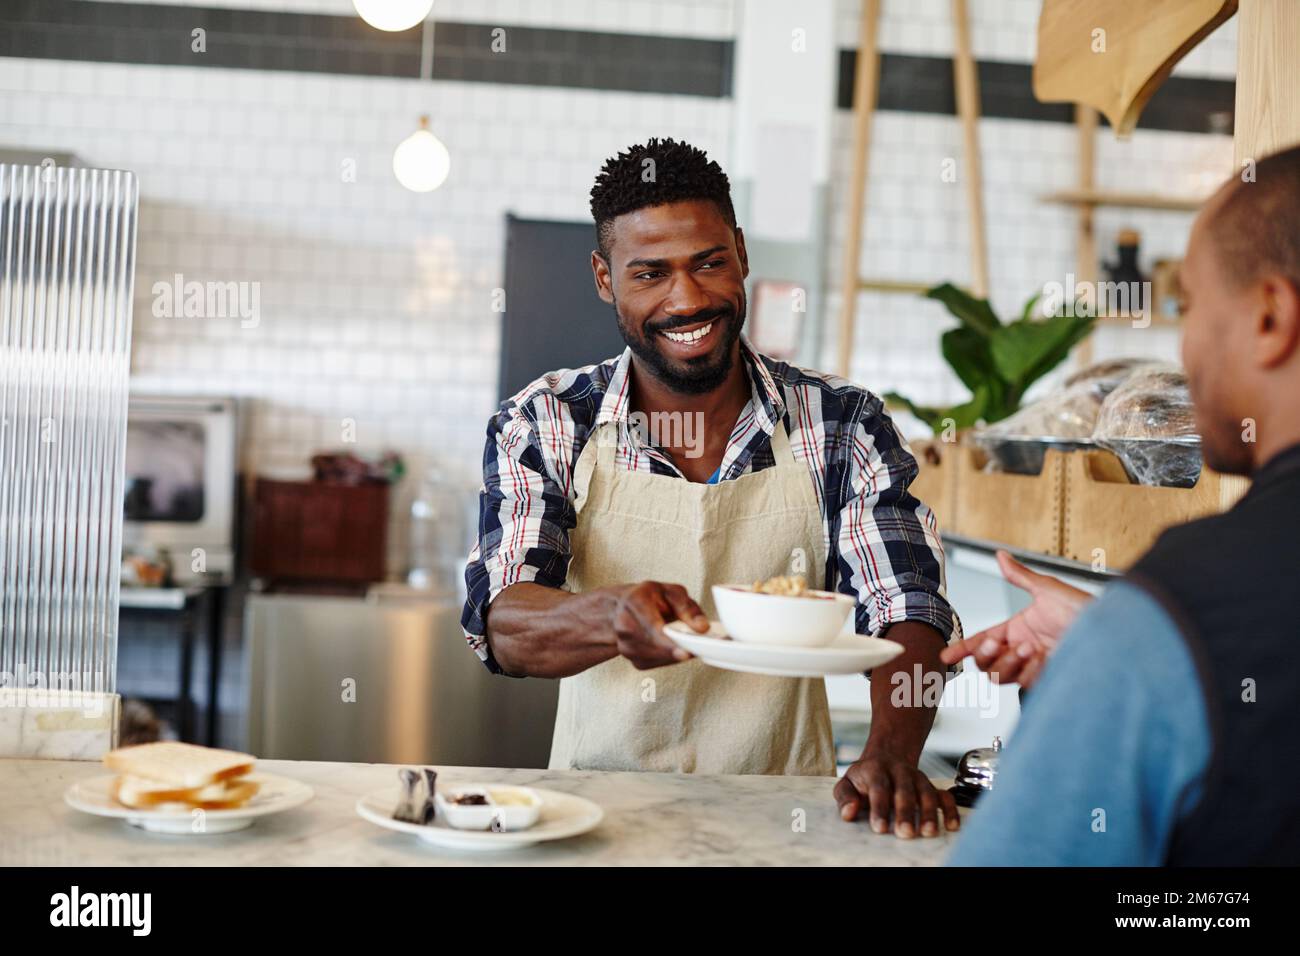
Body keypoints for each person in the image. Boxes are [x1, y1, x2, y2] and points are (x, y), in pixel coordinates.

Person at [461, 138, 962, 838]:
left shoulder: (842, 422)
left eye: (709, 263)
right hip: (596, 819)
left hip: (787, 820)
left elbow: (909, 606)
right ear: (605, 279)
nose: (687, 299)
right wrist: (609, 616)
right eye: (650, 274)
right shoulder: (546, 421)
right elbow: (503, 622)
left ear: (743, 255)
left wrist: (893, 755)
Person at [943, 144, 1300, 865]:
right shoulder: (1164, 624)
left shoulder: (1188, 603)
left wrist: (1133, 649)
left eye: (1190, 306)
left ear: (1269, 318)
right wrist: (1114, 642)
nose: (1184, 345)